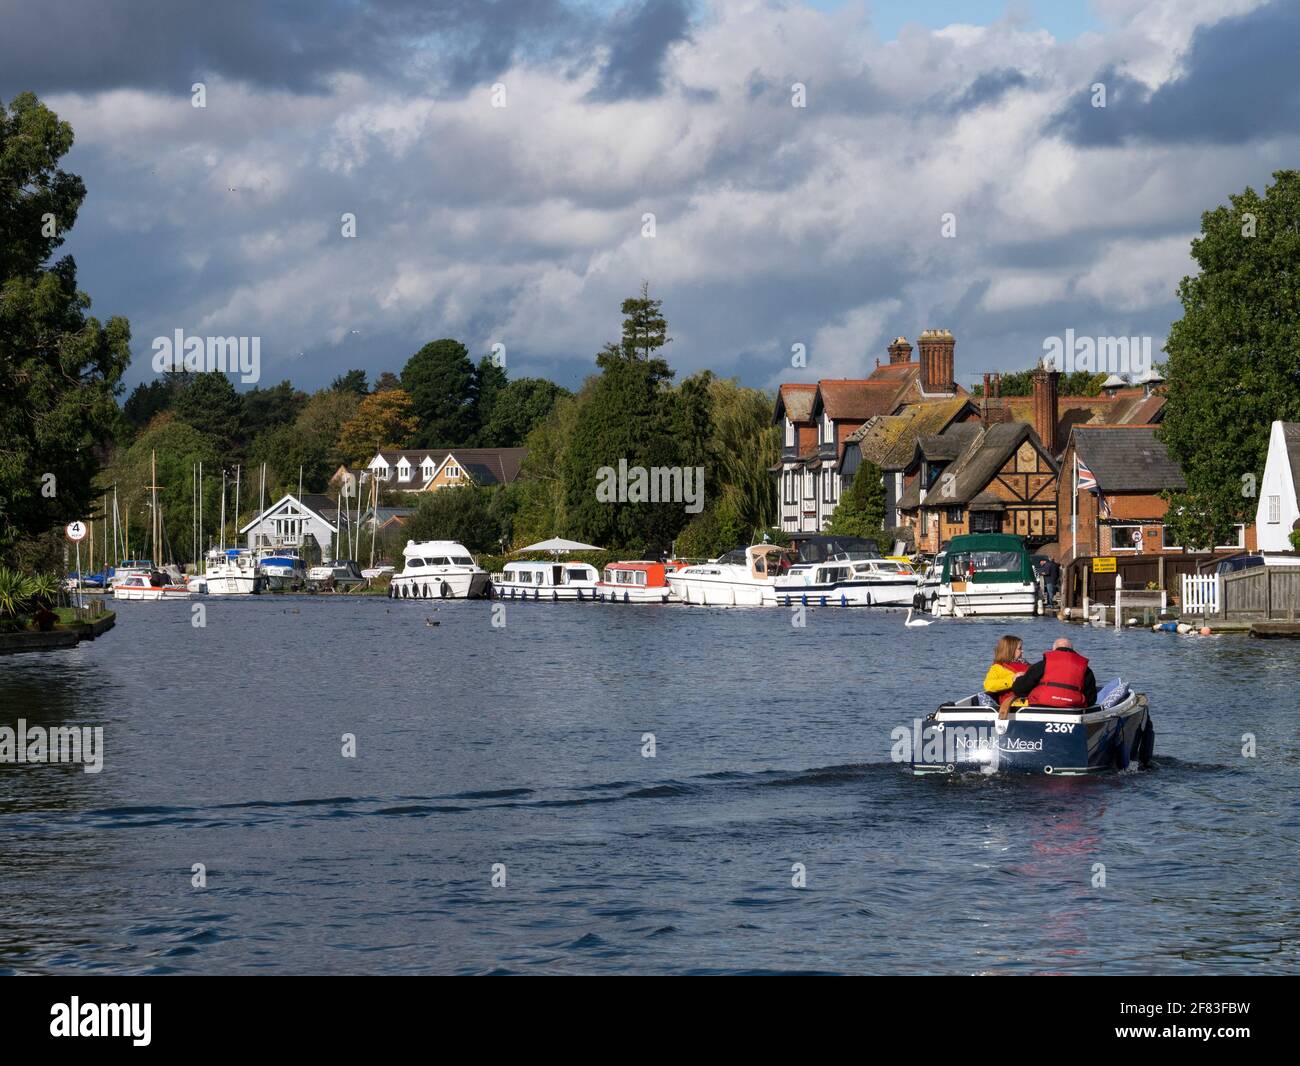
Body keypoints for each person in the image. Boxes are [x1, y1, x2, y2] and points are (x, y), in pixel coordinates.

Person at [1011, 637, 1097, 708]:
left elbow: (1020, 689)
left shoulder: (1042, 665)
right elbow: (1091, 699)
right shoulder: (1085, 669)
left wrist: (1017, 679)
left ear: (1054, 650)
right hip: (1073, 708)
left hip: (1042, 707)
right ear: (1073, 651)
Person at [983, 634, 1029, 717]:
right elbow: (988, 685)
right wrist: (1012, 679)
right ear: (1010, 650)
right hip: (1011, 705)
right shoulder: (997, 668)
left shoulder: (1026, 665)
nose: (1022, 651)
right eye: (1019, 649)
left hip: (1029, 701)